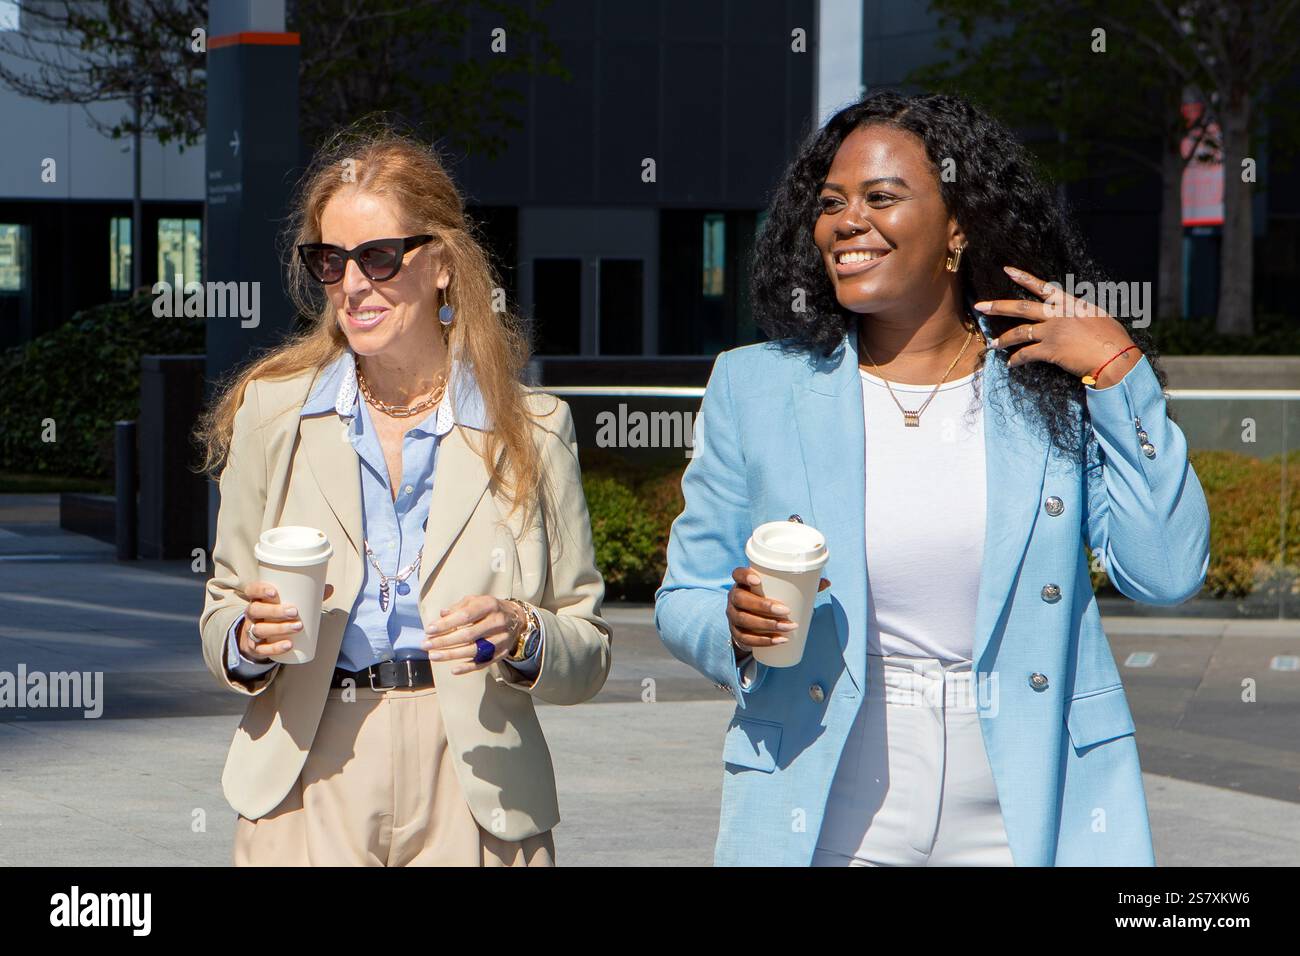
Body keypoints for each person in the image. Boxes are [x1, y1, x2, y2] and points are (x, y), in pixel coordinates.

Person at [655, 90, 1210, 866]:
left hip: (1029, 792)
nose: (847, 221)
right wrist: (736, 629)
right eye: (831, 202)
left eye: (881, 197)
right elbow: (686, 596)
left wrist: (1120, 372)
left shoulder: (1045, 387)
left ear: (958, 228)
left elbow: (1166, 572)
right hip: (828, 785)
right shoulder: (756, 388)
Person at [195, 126, 611, 866]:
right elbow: (222, 607)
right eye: (330, 261)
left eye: (378, 258)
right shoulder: (272, 413)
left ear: (442, 264)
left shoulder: (535, 430)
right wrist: (248, 640)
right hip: (306, 766)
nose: (353, 285)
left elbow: (586, 649)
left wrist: (522, 630)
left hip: (478, 780)